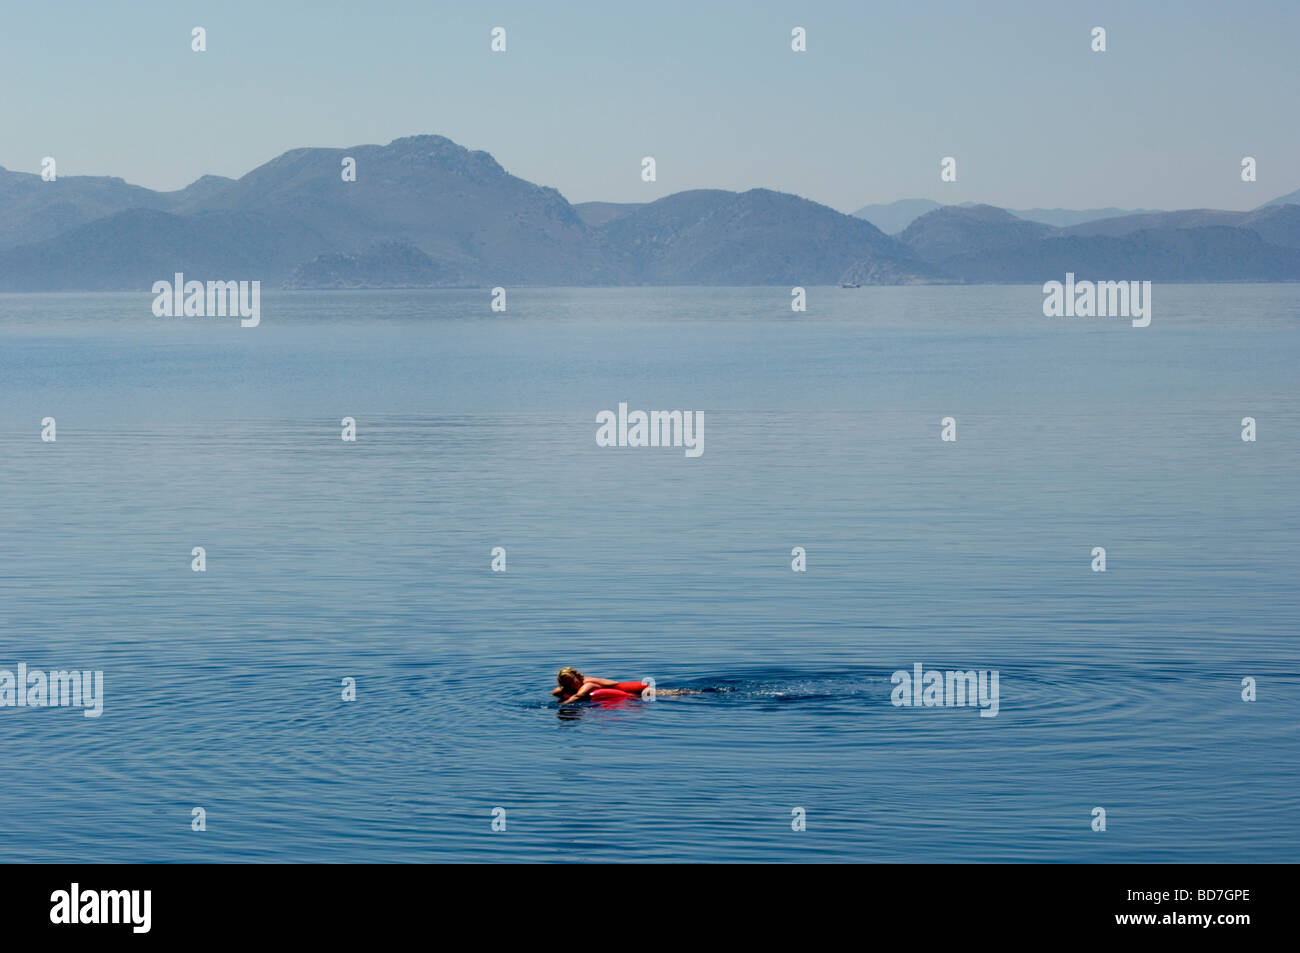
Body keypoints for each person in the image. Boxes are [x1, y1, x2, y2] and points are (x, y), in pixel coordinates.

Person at [552, 667, 688, 704]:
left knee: (676, 694)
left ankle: (697, 693)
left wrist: (562, 705)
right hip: (631, 690)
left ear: (576, 678)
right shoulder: (570, 685)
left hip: (638, 690)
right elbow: (556, 691)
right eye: (565, 683)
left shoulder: (587, 684)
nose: (569, 685)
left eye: (571, 681)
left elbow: (579, 696)